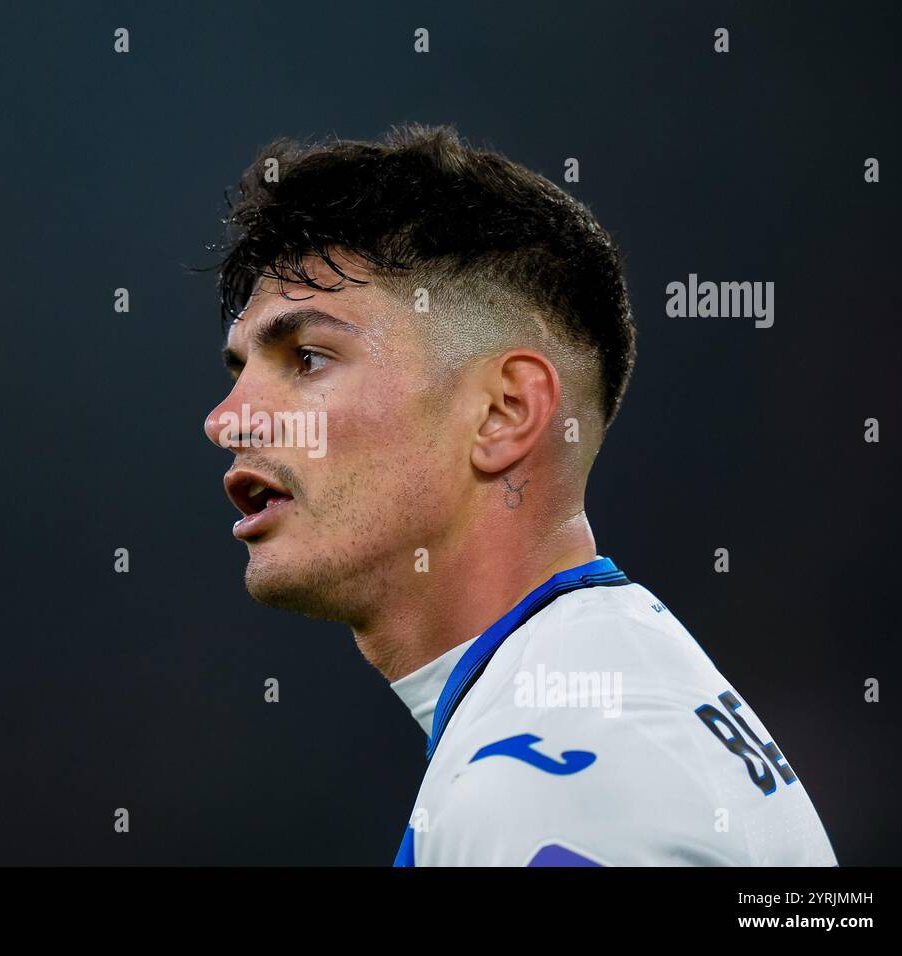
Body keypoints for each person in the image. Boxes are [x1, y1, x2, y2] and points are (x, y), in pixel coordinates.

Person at [201, 124, 837, 866]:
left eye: (307, 357)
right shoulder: (595, 693)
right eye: (238, 373)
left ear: (503, 413)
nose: (224, 421)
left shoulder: (553, 788)